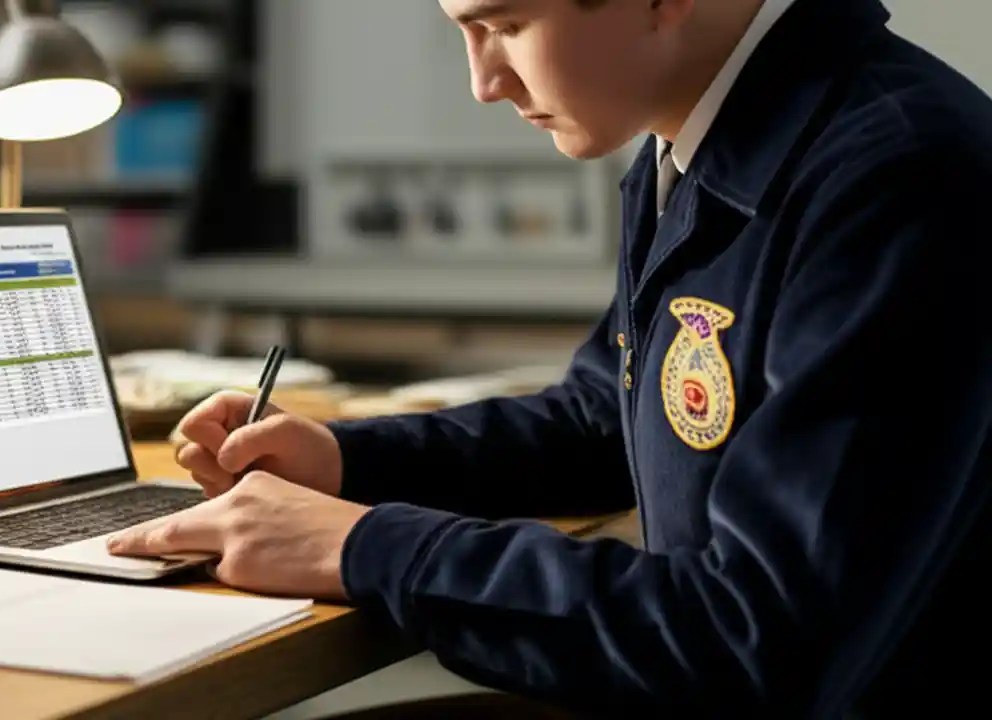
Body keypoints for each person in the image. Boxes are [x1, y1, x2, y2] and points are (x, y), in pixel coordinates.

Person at [108, 0, 992, 715]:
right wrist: (346, 461)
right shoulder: (701, 144)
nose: (484, 82)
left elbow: (759, 636)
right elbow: (605, 414)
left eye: (505, 26)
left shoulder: (895, 177)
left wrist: (369, 546)